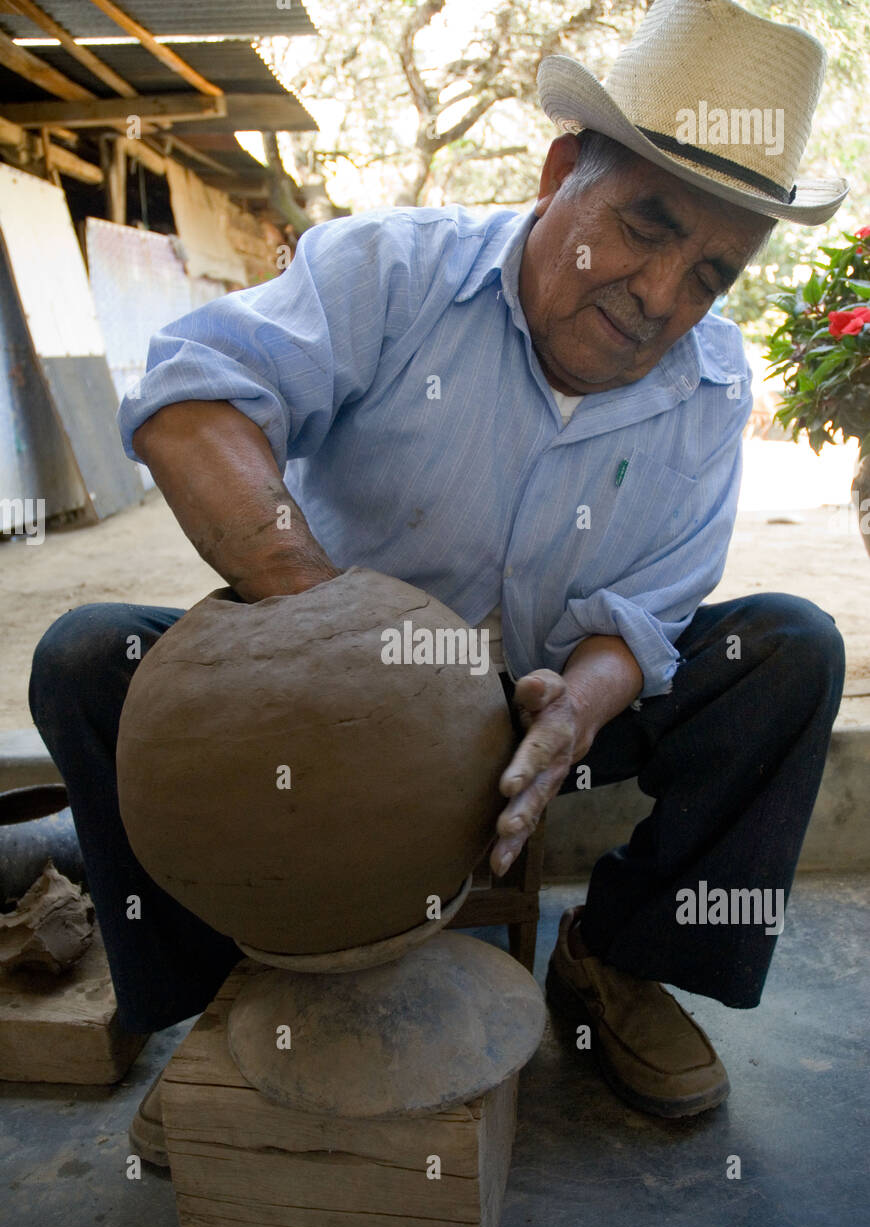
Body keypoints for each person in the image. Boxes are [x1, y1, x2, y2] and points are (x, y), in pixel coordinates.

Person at [29, 0, 848, 1150]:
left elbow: (652, 608)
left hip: (534, 731)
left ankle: (615, 963)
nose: (662, 297)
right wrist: (317, 609)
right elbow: (192, 395)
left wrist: (579, 704)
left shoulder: (711, 387)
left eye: (711, 272)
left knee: (791, 649)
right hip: (326, 713)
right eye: (644, 226)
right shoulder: (392, 272)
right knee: (86, 660)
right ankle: (227, 995)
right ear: (562, 169)